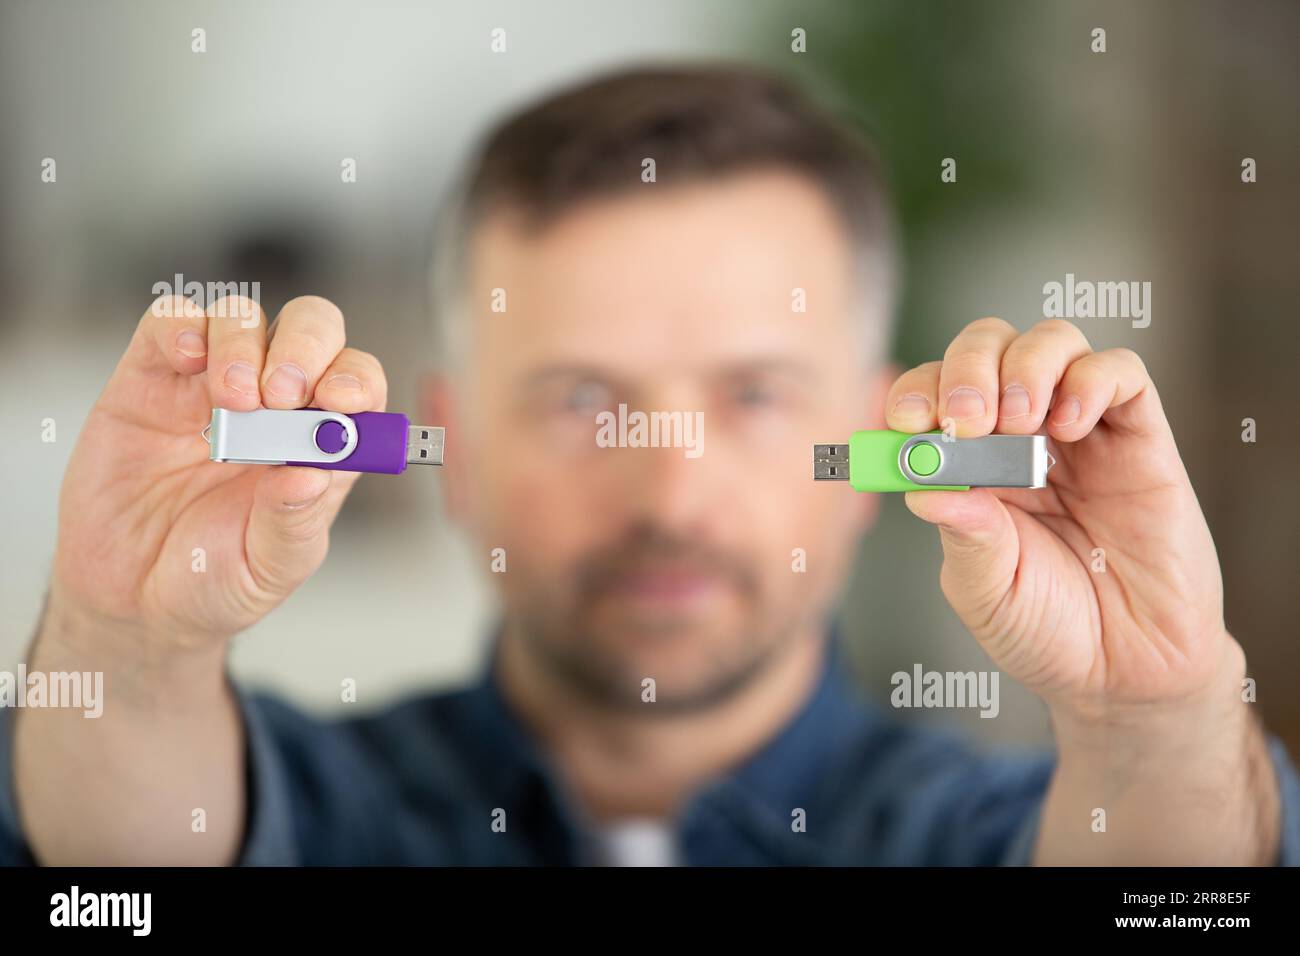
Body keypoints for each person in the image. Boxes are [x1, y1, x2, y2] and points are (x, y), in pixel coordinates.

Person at [2, 65, 1297, 866]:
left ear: (877, 446)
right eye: (581, 399)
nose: (668, 494)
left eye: (752, 396)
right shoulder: (302, 813)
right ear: (450, 449)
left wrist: (1155, 719)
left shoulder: (988, 839)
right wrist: (122, 645)